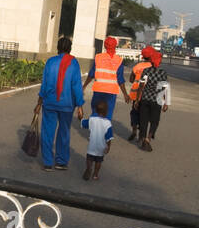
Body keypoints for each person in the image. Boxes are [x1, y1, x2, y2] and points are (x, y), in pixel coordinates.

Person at [34, 35, 85, 170]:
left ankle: (48, 163)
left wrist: (39, 103)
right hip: (67, 104)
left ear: (57, 48)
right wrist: (80, 105)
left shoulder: (50, 62)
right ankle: (61, 161)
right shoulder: (73, 63)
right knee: (64, 132)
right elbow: (76, 85)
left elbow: (45, 84)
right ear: (70, 48)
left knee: (47, 132)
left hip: (50, 102)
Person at [82, 35, 131, 132]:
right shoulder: (118, 60)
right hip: (111, 93)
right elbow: (120, 79)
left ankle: (93, 132)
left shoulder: (98, 57)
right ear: (115, 46)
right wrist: (125, 94)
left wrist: (84, 86)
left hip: (98, 90)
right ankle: (106, 137)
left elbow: (91, 74)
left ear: (105, 46)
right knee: (107, 115)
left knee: (96, 112)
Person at [136, 50, 172, 152]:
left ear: (151, 61)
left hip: (145, 98)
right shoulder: (163, 73)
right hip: (158, 100)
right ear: (159, 61)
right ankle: (148, 138)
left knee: (143, 120)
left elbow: (141, 86)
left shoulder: (146, 71)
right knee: (155, 121)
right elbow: (165, 87)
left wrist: (138, 99)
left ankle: (143, 138)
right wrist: (166, 103)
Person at [82, 97, 113, 181]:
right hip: (101, 147)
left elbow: (83, 123)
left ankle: (89, 168)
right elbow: (109, 137)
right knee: (99, 161)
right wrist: (108, 146)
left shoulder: (92, 119)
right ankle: (95, 174)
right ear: (106, 111)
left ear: (96, 110)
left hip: (92, 145)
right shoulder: (108, 123)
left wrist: (80, 116)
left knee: (89, 158)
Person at [127, 46, 153, 141]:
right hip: (147, 95)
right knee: (144, 115)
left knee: (134, 112)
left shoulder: (137, 66)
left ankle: (134, 131)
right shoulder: (152, 67)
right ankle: (142, 135)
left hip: (135, 94)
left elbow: (131, 79)